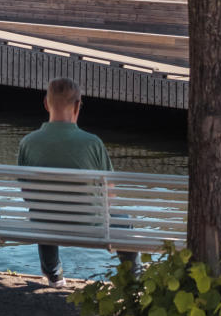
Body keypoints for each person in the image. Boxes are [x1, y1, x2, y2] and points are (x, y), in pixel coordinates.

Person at [17, 78, 136, 287]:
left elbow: (27, 194)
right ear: (78, 105)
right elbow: (110, 194)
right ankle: (133, 279)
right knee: (124, 220)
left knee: (42, 211)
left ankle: (53, 273)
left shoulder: (27, 143)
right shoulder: (93, 143)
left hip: (44, 222)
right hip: (90, 226)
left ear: (46, 103)